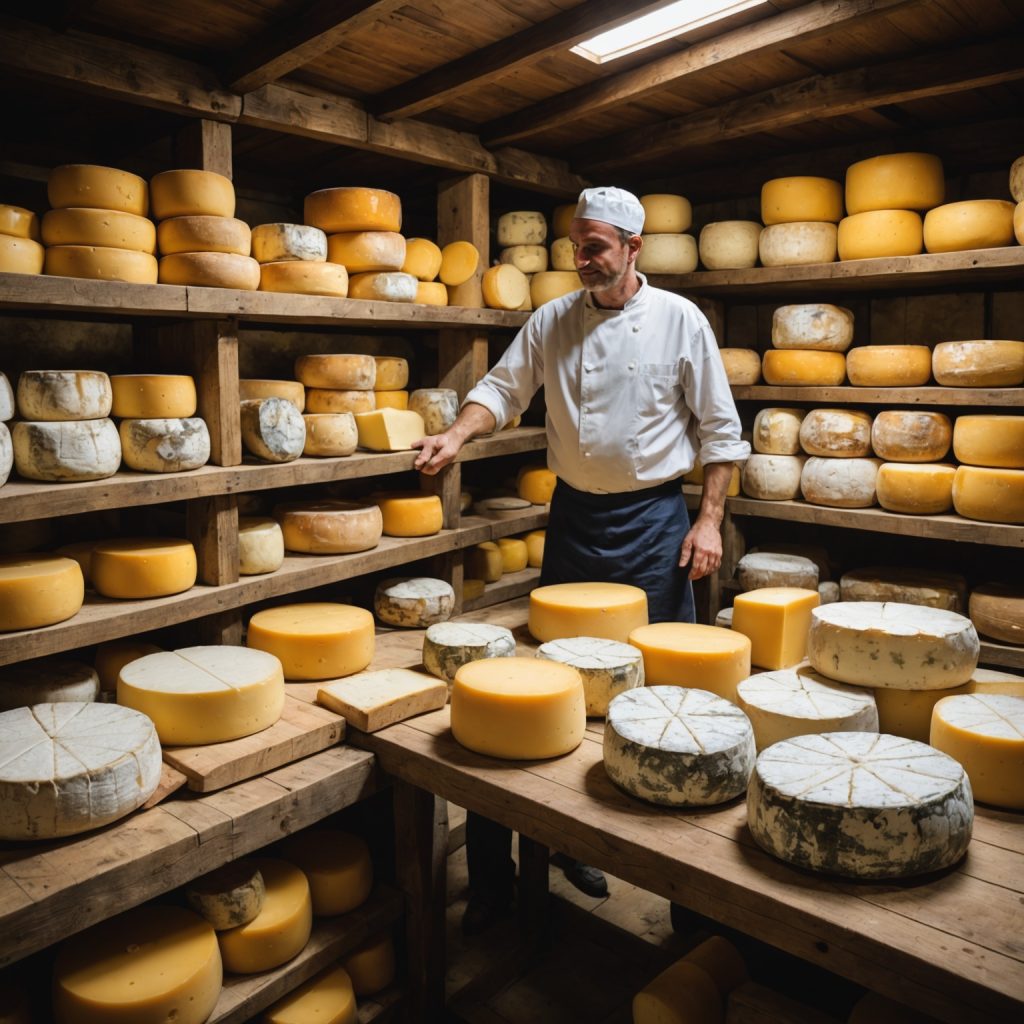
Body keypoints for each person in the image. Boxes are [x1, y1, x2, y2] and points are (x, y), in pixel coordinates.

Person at [413, 186, 749, 935]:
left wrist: (709, 522)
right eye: (575, 245)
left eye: (595, 246)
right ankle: (548, 844)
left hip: (657, 523)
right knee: (558, 686)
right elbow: (502, 390)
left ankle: (653, 864)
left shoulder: (679, 321)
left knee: (655, 694)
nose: (581, 259)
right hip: (577, 521)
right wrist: (457, 437)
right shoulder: (551, 320)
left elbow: (720, 432)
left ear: (634, 248)